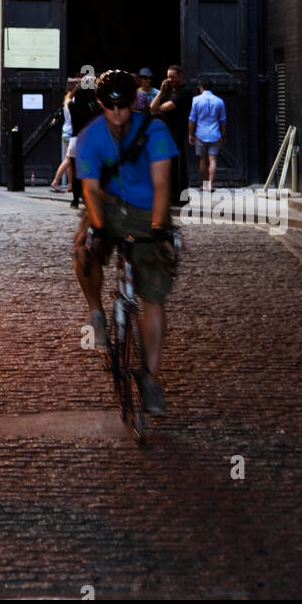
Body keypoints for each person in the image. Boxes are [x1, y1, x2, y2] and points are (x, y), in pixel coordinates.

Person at [73, 69, 178, 416]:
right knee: (83, 249)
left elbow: (162, 183)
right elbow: (89, 189)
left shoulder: (155, 131)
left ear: (133, 102)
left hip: (148, 210)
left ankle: (150, 379)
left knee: (153, 297)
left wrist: (160, 227)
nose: (117, 113)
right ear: (101, 103)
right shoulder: (91, 137)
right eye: (110, 105)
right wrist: (99, 228)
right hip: (110, 205)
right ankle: (96, 312)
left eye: (123, 105)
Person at [150, 64, 195, 206]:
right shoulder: (167, 91)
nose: (170, 80)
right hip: (165, 134)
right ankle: (169, 197)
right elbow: (152, 108)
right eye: (168, 77)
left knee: (178, 168)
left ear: (180, 76)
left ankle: (180, 199)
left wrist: (159, 107)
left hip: (177, 134)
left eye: (173, 77)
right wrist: (161, 93)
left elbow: (165, 107)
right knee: (166, 167)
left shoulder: (185, 91)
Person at [69, 71, 101, 209]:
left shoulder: (72, 107)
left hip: (76, 140)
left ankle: (75, 200)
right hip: (90, 140)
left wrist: (78, 85)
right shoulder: (95, 108)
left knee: (76, 172)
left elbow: (69, 99)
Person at [188, 76, 227, 190]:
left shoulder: (196, 100)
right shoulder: (219, 101)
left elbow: (192, 119)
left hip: (200, 133)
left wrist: (190, 134)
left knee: (202, 159)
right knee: (213, 159)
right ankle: (211, 184)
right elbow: (223, 121)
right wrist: (223, 135)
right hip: (215, 133)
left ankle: (204, 184)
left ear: (201, 88)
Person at [50, 78, 79, 192]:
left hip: (66, 132)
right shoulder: (73, 101)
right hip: (71, 133)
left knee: (70, 160)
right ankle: (56, 181)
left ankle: (71, 185)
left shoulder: (66, 99)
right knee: (68, 159)